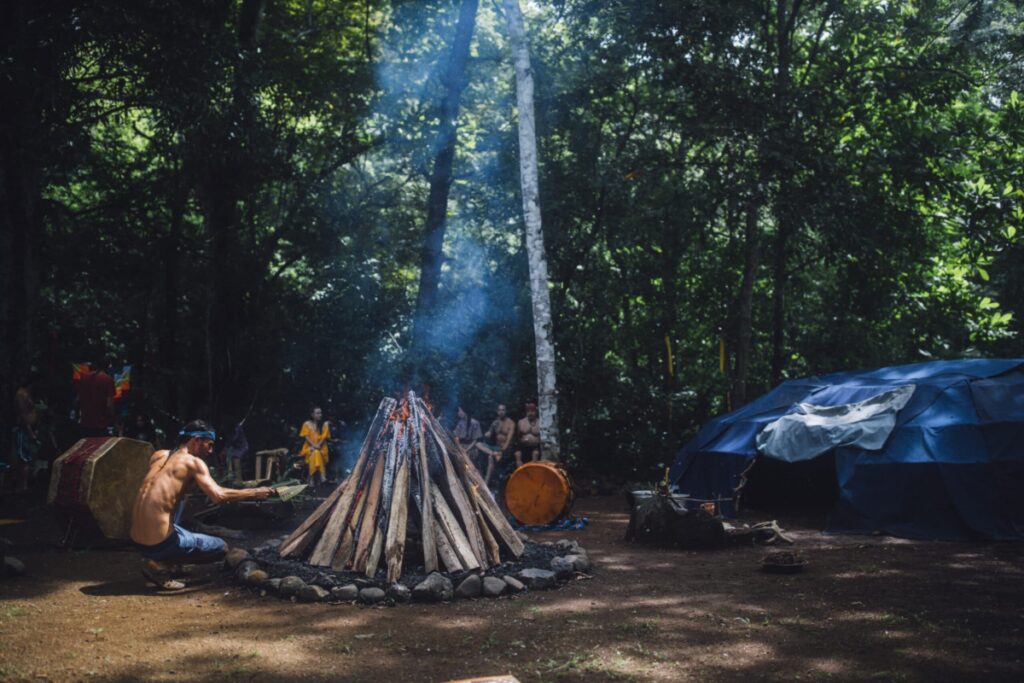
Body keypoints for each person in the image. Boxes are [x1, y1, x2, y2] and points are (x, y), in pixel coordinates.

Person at [130, 420, 273, 590]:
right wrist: (255, 493)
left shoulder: (159, 455)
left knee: (178, 503)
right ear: (196, 440)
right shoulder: (193, 462)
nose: (211, 450)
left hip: (136, 541)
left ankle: (162, 561)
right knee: (221, 548)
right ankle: (162, 565)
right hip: (159, 544)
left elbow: (163, 493)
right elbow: (219, 496)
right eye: (209, 444)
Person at [479, 403, 516, 486]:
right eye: (499, 410)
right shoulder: (495, 422)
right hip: (495, 448)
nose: (501, 412)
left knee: (490, 458)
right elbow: (487, 435)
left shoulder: (511, 423)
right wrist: (492, 427)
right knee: (478, 444)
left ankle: (486, 482)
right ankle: (492, 453)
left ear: (506, 411)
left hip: (506, 449)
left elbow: (509, 440)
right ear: (497, 412)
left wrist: (502, 451)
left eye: (503, 410)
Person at [77, 359, 115, 438]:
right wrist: (112, 416)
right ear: (107, 367)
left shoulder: (84, 377)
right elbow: (109, 404)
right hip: (100, 422)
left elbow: (79, 397)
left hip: (85, 420)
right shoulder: (108, 379)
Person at [299, 407, 330, 488]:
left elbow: (324, 437)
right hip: (309, 447)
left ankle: (311, 478)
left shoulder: (324, 425)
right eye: (317, 413)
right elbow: (306, 436)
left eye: (321, 413)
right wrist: (313, 445)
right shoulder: (306, 424)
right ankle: (322, 476)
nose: (320, 415)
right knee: (315, 452)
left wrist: (318, 445)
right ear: (312, 415)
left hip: (321, 448)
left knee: (316, 452)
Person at [515, 402, 541, 467]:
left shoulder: (540, 422)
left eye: (532, 411)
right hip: (524, 446)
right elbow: (518, 437)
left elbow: (542, 437)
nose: (530, 413)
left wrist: (536, 441)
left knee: (536, 453)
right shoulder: (521, 422)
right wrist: (523, 440)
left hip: (535, 447)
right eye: (528, 411)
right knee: (517, 454)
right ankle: (521, 473)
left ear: (536, 412)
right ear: (526, 412)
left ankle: (532, 472)